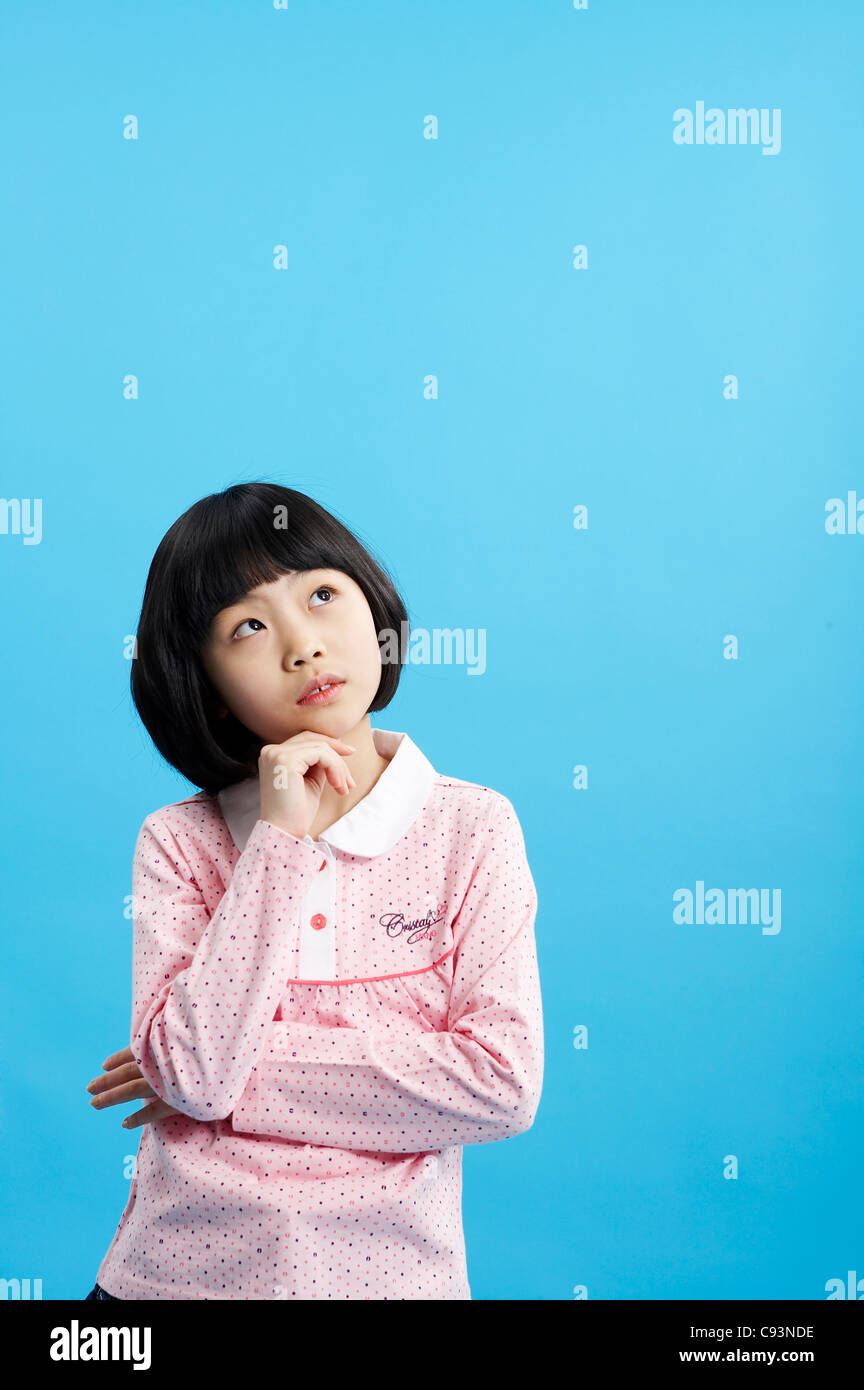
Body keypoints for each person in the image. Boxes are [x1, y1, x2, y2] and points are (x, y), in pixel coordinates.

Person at [83, 481, 543, 1300]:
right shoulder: (178, 842)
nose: (303, 645)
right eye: (248, 627)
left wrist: (213, 1085)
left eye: (322, 594)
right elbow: (191, 1074)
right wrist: (280, 844)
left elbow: (500, 1085)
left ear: (375, 610)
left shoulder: (471, 828)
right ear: (206, 682)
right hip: (174, 1285)